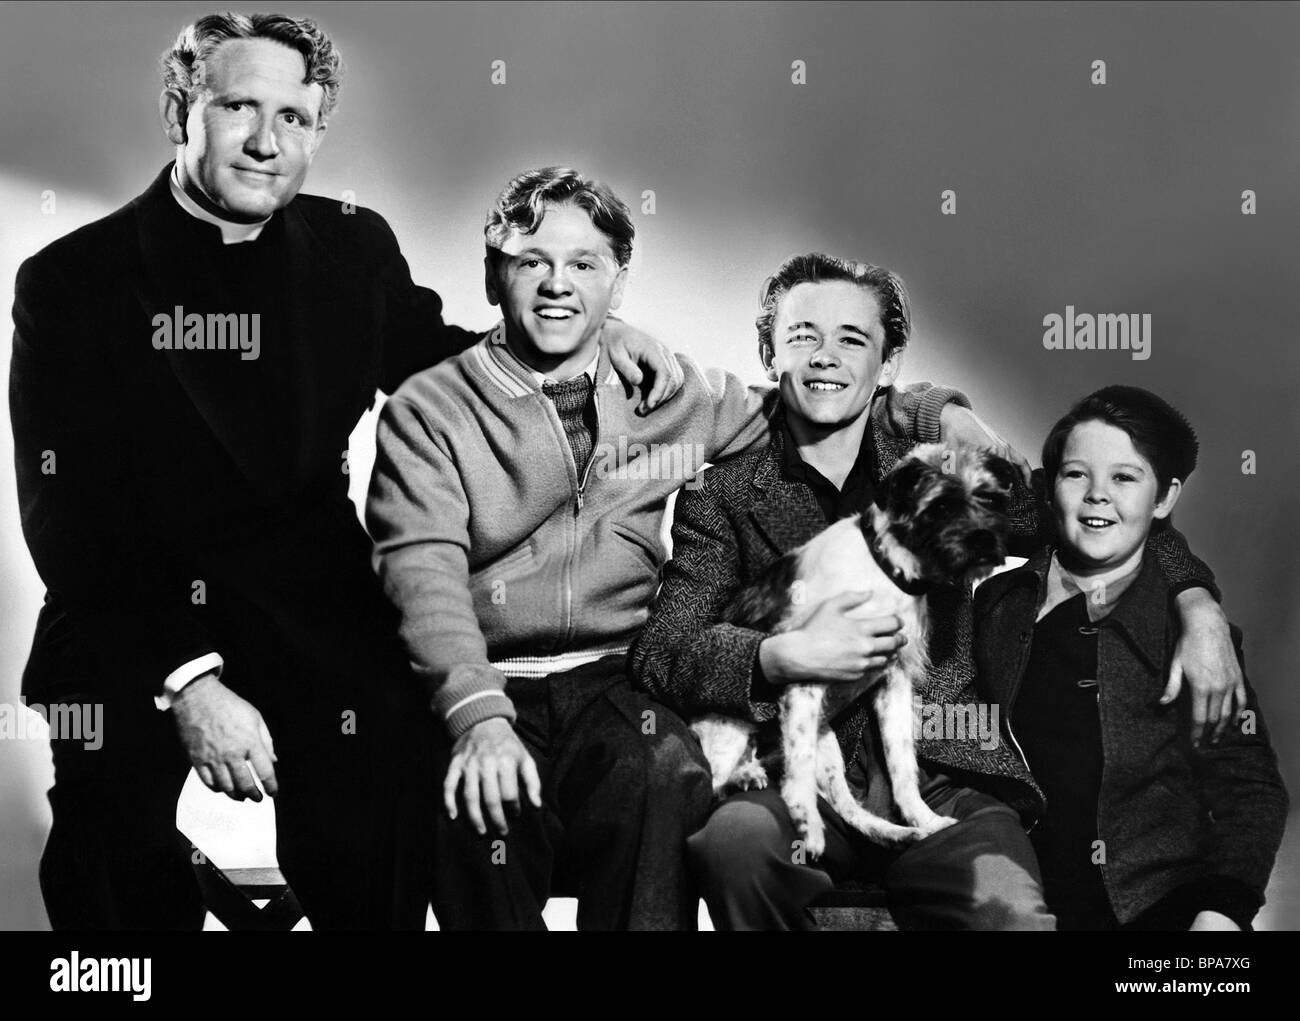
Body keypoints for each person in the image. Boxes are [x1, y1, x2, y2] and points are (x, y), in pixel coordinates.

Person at [8, 12, 678, 931]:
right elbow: (69, 519)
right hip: (133, 604)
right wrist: (191, 682)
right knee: (111, 852)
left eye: (294, 116)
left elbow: (448, 372)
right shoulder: (70, 279)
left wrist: (584, 339)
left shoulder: (351, 247)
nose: (265, 140)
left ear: (318, 131)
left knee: (392, 782)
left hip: (308, 592)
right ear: (179, 109)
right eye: (237, 105)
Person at [365, 170, 977, 929]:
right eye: (532, 262)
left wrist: (932, 411)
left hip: (608, 683)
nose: (558, 285)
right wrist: (479, 717)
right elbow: (423, 581)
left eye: (584, 264)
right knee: (474, 800)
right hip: (481, 679)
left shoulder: (668, 395)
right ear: (494, 275)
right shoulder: (430, 409)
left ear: (618, 283)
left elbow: (816, 396)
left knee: (665, 769)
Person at [630, 252, 1240, 930]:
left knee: (1010, 912)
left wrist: (1195, 599)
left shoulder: (950, 472)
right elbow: (665, 651)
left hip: (943, 769)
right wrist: (776, 657)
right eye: (803, 335)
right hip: (789, 770)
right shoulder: (723, 495)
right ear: (769, 351)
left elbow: (1094, 511)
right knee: (731, 846)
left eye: (852, 339)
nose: (826, 356)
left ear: (887, 364)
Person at [973, 386, 1288, 930]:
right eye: (1077, 474)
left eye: (1124, 477)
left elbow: (1250, 789)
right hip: (1018, 895)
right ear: (1049, 491)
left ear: (1164, 499)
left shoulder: (1191, 636)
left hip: (1154, 904)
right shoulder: (996, 606)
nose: (1098, 495)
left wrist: (1224, 911)